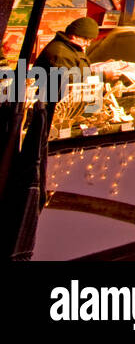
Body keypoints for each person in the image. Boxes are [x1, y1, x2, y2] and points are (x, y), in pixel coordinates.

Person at [2, 17, 97, 261]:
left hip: (59, 116)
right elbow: (63, 91)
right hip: (50, 117)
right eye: (86, 39)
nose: (87, 44)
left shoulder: (70, 51)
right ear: (76, 35)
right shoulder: (59, 54)